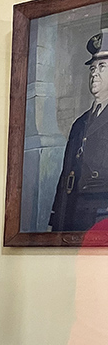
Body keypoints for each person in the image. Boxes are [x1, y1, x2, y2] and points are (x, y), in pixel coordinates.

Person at [49, 29, 108, 232]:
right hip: (74, 213)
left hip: (102, 215)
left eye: (102, 67)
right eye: (92, 68)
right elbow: (66, 175)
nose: (94, 74)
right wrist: (57, 219)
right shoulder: (79, 123)